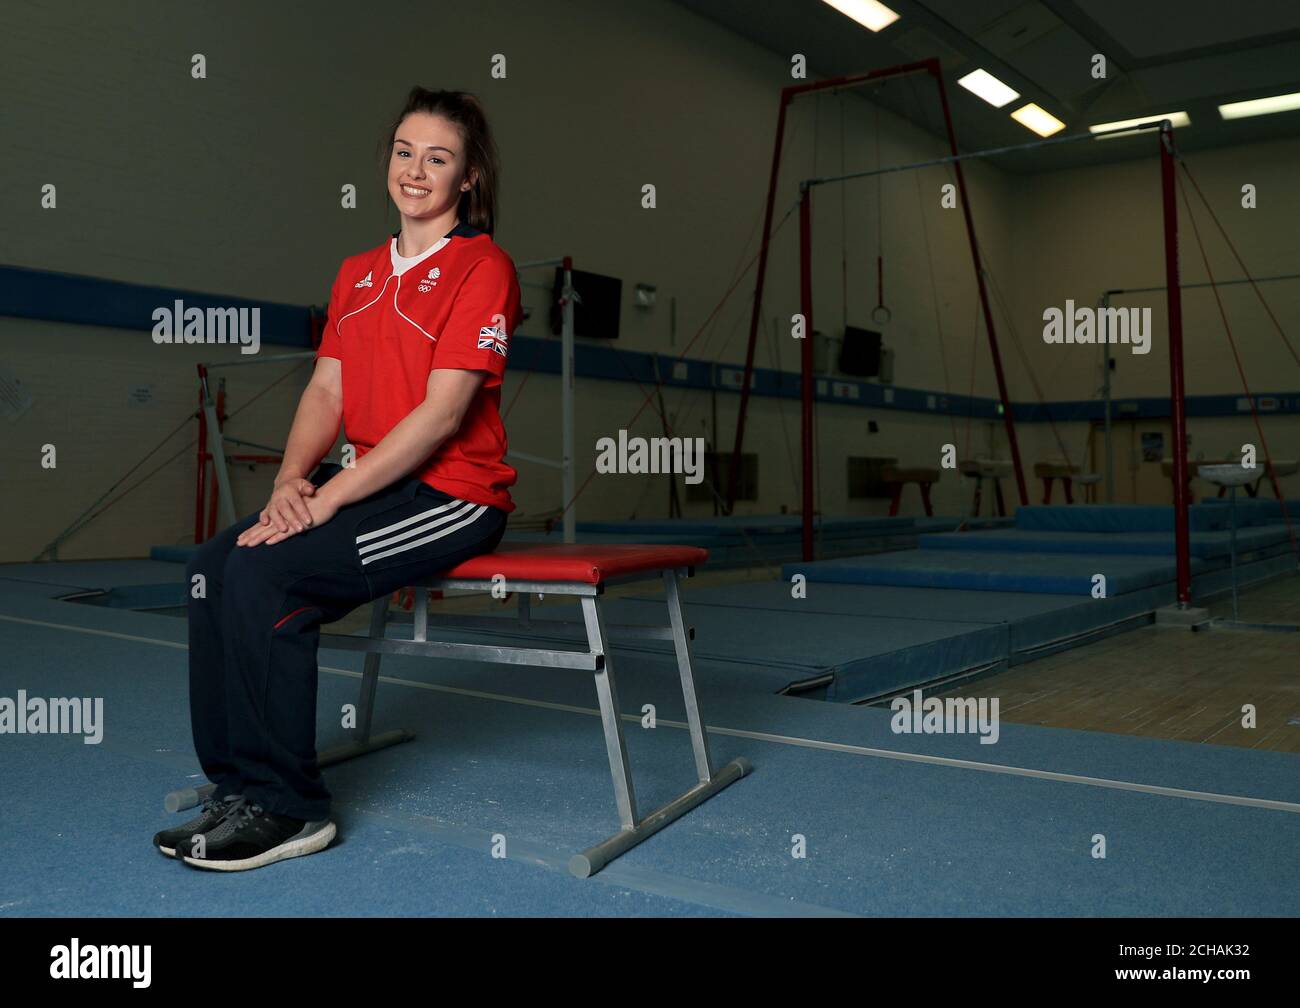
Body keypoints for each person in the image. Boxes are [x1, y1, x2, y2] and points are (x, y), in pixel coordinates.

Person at [154, 87, 521, 871]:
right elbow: (327, 390)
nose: (416, 170)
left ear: (468, 179)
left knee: (268, 571)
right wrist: (291, 482)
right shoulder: (356, 273)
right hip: (365, 483)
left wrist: (325, 500)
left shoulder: (482, 267)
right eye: (404, 151)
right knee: (210, 569)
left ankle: (290, 808)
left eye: (438, 157)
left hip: (451, 494)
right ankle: (238, 787)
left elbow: (442, 415)